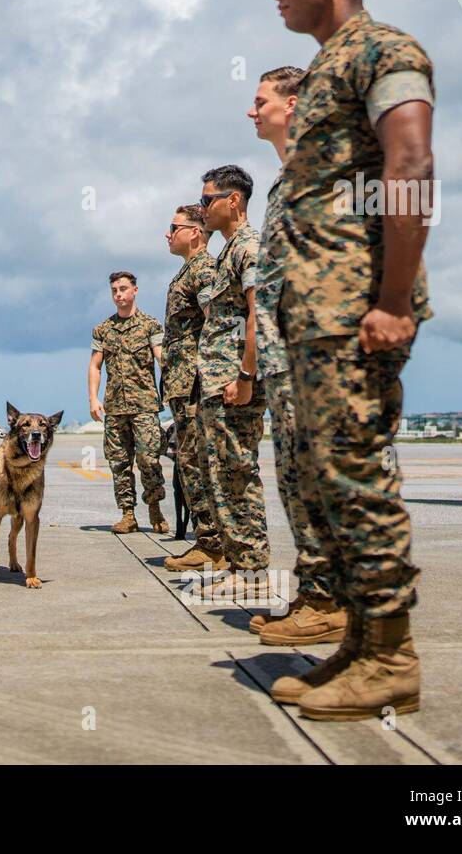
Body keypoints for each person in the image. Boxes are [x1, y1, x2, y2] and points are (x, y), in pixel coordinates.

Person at [267, 0, 433, 720]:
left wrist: (394, 300)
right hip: (318, 314)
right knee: (330, 480)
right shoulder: (329, 62)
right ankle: (364, 644)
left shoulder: (385, 51)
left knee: (358, 477)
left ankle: (393, 656)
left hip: (355, 309)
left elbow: (410, 169)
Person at [246, 66, 347, 645]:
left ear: (293, 103)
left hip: (314, 358)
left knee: (316, 480)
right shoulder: (288, 179)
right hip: (287, 359)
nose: (251, 111)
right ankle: (318, 593)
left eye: (260, 101)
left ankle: (330, 601)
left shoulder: (324, 169)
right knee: (295, 479)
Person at [191, 165, 270, 601]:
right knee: (221, 476)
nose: (202, 208)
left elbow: (260, 314)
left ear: (232, 201)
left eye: (207, 200)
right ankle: (240, 564)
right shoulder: (226, 253)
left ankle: (254, 568)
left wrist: (245, 375)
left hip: (234, 386)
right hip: (215, 385)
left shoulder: (249, 248)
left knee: (238, 473)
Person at [159, 205, 224, 572]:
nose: (168, 234)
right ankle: (209, 541)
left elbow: (215, 321)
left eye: (173, 227)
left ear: (195, 232)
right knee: (189, 462)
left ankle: (213, 545)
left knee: (195, 463)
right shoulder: (188, 270)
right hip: (183, 387)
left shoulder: (202, 270)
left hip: (197, 386)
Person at [88, 272, 168, 534]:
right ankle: (128, 515)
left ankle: (155, 509)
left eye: (123, 289)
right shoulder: (103, 329)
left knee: (148, 459)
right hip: (115, 408)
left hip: (144, 406)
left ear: (135, 290)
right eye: (114, 290)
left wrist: (170, 387)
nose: (118, 294)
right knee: (119, 463)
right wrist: (93, 399)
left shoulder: (150, 325)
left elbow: (161, 358)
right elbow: (95, 366)